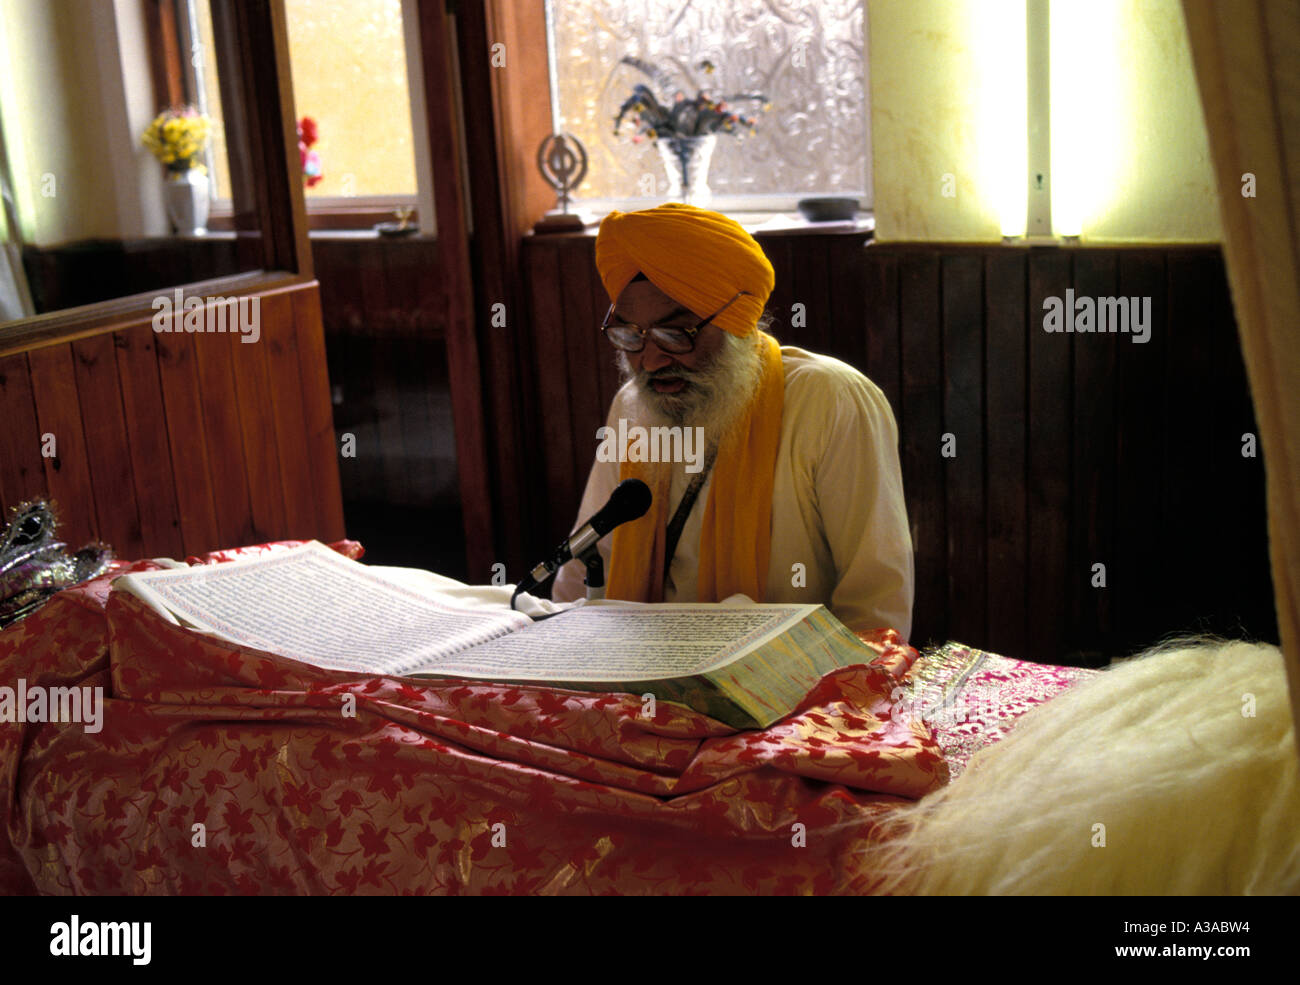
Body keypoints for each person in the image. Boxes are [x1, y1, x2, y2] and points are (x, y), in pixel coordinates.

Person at [551, 203, 914, 639]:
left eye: (675, 334)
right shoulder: (633, 406)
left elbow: (875, 608)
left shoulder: (830, 401)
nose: (649, 360)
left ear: (735, 322)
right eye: (631, 336)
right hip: (639, 674)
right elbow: (589, 560)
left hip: (790, 691)